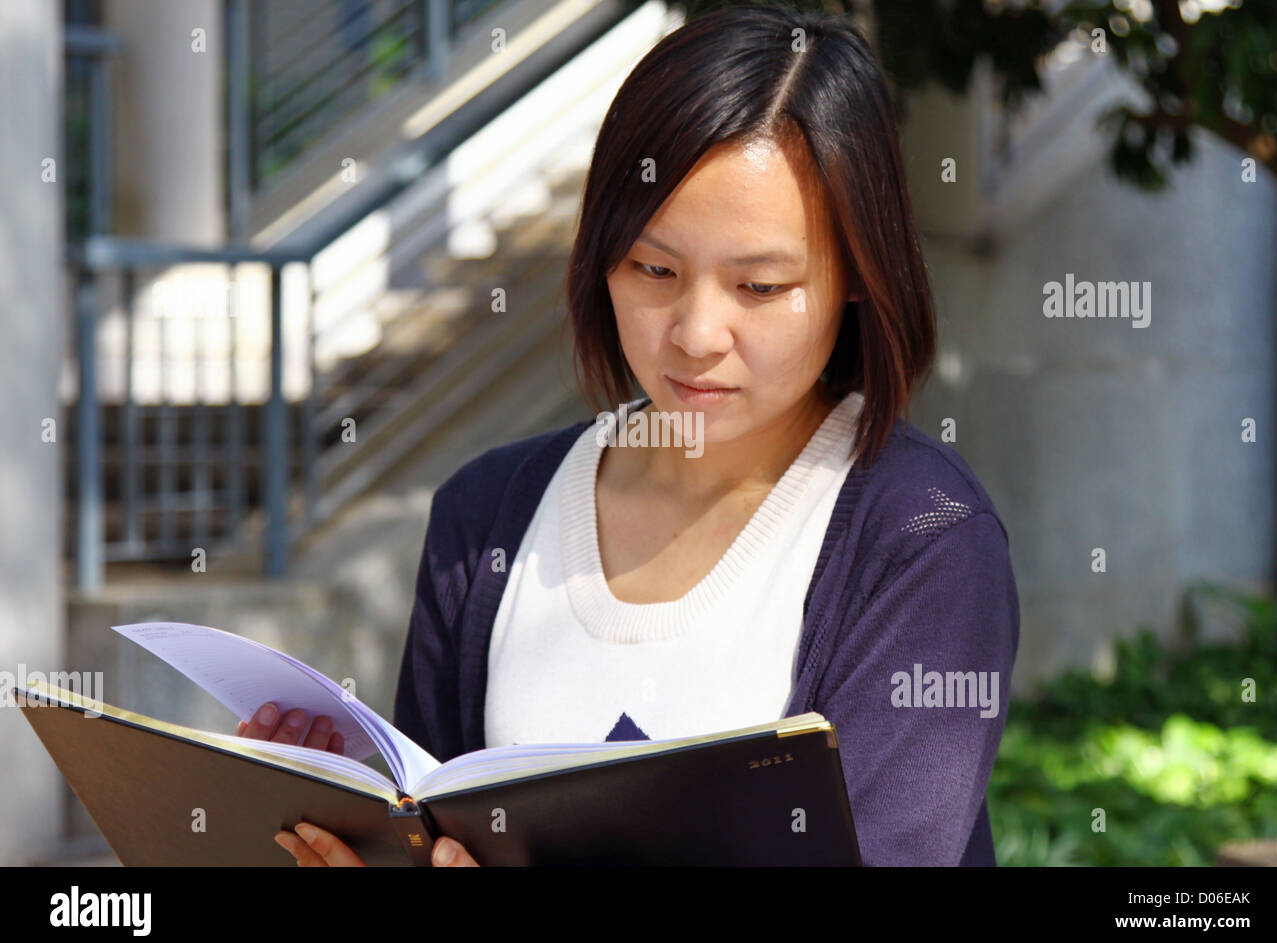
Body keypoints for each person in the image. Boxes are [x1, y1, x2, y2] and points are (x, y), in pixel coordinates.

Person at [242, 1, 1019, 867]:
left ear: (859, 275)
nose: (695, 332)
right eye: (653, 268)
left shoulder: (922, 541)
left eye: (759, 286)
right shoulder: (486, 518)